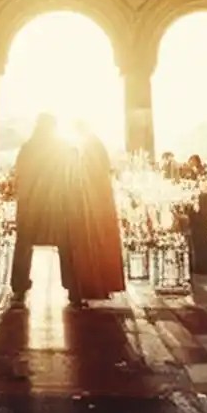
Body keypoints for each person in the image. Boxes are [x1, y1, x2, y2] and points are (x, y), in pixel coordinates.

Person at [10, 113, 77, 304]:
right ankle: (72, 285)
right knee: (65, 243)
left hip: (31, 203)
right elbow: (69, 174)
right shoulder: (61, 147)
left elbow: (19, 175)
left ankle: (19, 284)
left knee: (24, 243)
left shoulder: (28, 148)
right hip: (57, 203)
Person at [66, 120, 126, 304]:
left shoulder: (89, 146)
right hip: (99, 199)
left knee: (92, 242)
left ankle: (94, 286)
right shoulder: (93, 144)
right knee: (100, 241)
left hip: (91, 201)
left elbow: (86, 173)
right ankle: (100, 286)